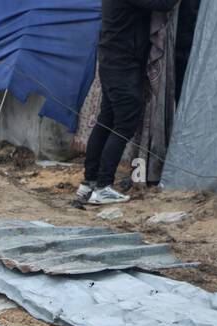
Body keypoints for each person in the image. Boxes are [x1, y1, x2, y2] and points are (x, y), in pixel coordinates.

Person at [77, 0, 181, 206]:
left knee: (106, 121)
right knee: (124, 124)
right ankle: (103, 186)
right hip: (123, 65)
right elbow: (164, 4)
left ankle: (89, 183)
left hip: (112, 60)